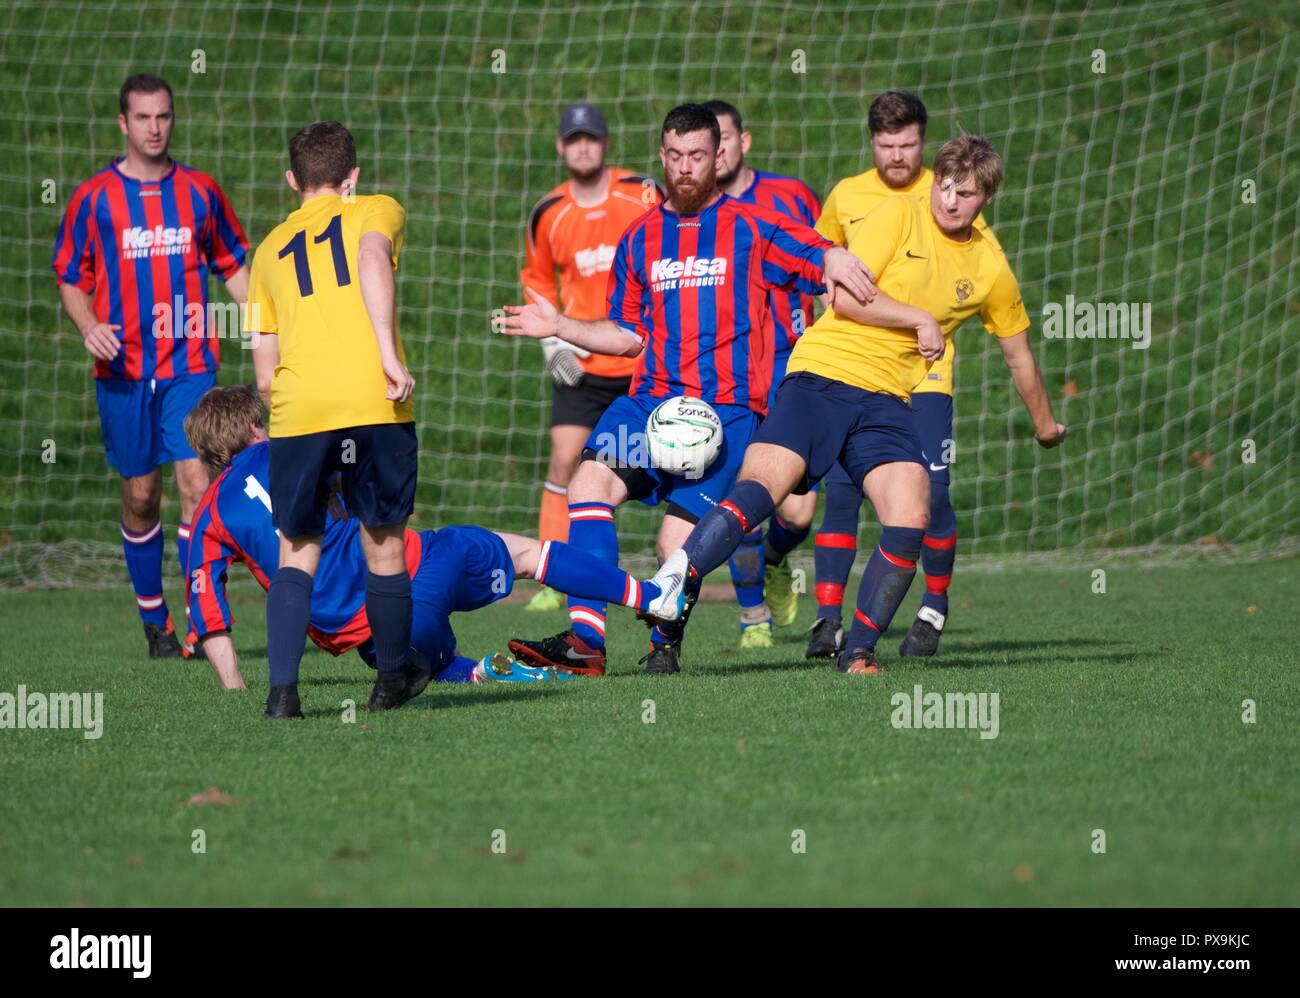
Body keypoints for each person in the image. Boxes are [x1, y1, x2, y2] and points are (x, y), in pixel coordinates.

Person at [650, 135, 1066, 676]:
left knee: (912, 509)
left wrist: (1045, 424)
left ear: (986, 197)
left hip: (887, 400)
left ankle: (859, 652)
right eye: (944, 186)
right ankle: (669, 606)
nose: (949, 200)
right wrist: (918, 318)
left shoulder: (990, 267)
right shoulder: (897, 215)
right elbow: (843, 295)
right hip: (822, 375)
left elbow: (1019, 355)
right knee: (760, 495)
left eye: (964, 193)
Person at [498, 103, 874, 676]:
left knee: (674, 547)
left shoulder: (752, 225)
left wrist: (835, 257)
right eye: (675, 157)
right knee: (588, 484)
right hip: (648, 403)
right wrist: (561, 328)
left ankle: (662, 648)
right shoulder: (639, 238)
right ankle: (586, 643)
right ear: (662, 156)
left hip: (725, 413)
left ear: (719, 155)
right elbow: (627, 336)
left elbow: (811, 254)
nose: (686, 168)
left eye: (698, 155)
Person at [182, 387, 686, 694]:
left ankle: (483, 674)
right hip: (419, 569)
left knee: (438, 662)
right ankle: (651, 598)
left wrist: (234, 689)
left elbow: (207, 610)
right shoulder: (300, 452)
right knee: (530, 555)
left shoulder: (208, 516)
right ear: (254, 425)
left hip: (376, 641)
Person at [52, 73, 249, 659]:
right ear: (123, 124)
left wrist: (265, 328)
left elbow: (233, 263)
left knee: (196, 485)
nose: (155, 128)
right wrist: (88, 325)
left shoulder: (200, 192)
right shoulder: (94, 200)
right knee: (141, 496)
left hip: (190, 365)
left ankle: (200, 619)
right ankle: (153, 620)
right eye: (143, 118)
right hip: (124, 374)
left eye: (163, 116)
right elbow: (70, 276)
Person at [807, 90, 1003, 660]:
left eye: (909, 143)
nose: (897, 155)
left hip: (925, 376)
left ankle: (933, 607)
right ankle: (827, 622)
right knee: (842, 492)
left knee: (932, 496)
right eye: (887, 145)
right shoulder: (847, 195)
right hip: (855, 367)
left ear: (924, 141)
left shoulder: (947, 193)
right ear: (872, 142)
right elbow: (822, 265)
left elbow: (979, 270)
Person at [246, 121, 419, 718]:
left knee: (297, 549)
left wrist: (296, 414)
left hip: (299, 411)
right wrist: (388, 353)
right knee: (383, 542)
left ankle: (282, 696)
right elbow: (371, 256)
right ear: (353, 177)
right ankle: (391, 681)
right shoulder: (376, 208)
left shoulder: (266, 252)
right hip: (373, 400)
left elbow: (263, 371)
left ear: (293, 180)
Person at [520, 102, 664, 612]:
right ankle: (551, 578)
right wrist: (554, 345)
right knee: (565, 459)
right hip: (580, 366)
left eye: (592, 138)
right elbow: (536, 281)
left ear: (605, 144)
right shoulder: (549, 212)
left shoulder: (642, 194)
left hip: (642, 360)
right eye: (573, 138)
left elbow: (672, 248)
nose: (583, 146)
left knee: (666, 462)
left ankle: (673, 567)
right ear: (561, 146)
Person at [704, 99, 824, 646]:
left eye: (725, 139)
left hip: (793, 366)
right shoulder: (694, 214)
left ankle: (774, 560)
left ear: (742, 141)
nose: (719, 150)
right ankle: (752, 617)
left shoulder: (791, 197)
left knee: (797, 511)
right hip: (728, 375)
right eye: (711, 143)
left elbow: (826, 263)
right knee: (742, 496)